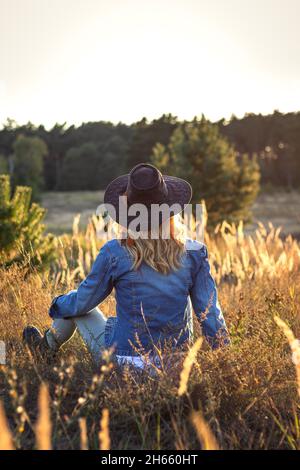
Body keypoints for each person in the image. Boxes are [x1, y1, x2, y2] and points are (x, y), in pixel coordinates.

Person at [23, 163, 229, 369]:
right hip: (177, 365)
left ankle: (46, 347)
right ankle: (45, 347)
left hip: (125, 362)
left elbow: (83, 302)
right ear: (171, 211)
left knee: (73, 301)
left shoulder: (115, 253)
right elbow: (209, 312)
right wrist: (225, 361)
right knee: (75, 302)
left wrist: (56, 304)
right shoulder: (195, 253)